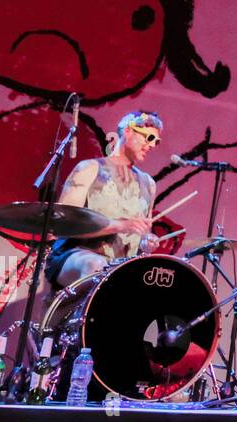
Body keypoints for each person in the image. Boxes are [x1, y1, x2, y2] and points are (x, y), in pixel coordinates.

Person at [44, 111, 161, 289]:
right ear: (128, 131)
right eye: (149, 137)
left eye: (156, 141)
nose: (152, 145)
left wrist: (147, 240)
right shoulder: (90, 169)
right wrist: (119, 225)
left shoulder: (149, 184)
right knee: (97, 266)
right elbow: (63, 225)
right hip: (75, 256)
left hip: (120, 265)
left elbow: (143, 233)